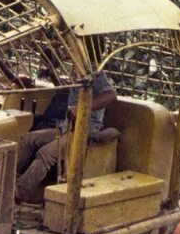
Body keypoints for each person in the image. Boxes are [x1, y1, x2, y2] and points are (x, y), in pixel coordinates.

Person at [16, 72, 118, 202]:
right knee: (27, 139)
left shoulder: (95, 75)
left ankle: (20, 192)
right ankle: (9, 180)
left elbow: (111, 96)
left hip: (83, 131)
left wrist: (83, 107)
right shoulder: (76, 73)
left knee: (45, 154)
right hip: (65, 128)